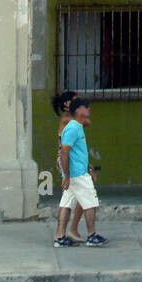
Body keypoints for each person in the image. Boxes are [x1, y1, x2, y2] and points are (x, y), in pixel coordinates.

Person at [55, 98, 108, 247]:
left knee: (66, 203)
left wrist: (87, 167)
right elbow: (65, 152)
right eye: (86, 107)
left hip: (76, 172)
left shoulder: (77, 126)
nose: (89, 109)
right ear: (78, 110)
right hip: (77, 174)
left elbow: (78, 152)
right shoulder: (73, 128)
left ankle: (60, 237)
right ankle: (91, 235)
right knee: (90, 202)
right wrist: (66, 175)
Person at [51, 89, 86, 243]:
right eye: (75, 100)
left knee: (76, 196)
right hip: (69, 162)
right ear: (67, 104)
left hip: (73, 161)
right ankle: (66, 231)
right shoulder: (68, 120)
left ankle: (67, 231)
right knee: (78, 196)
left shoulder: (71, 119)